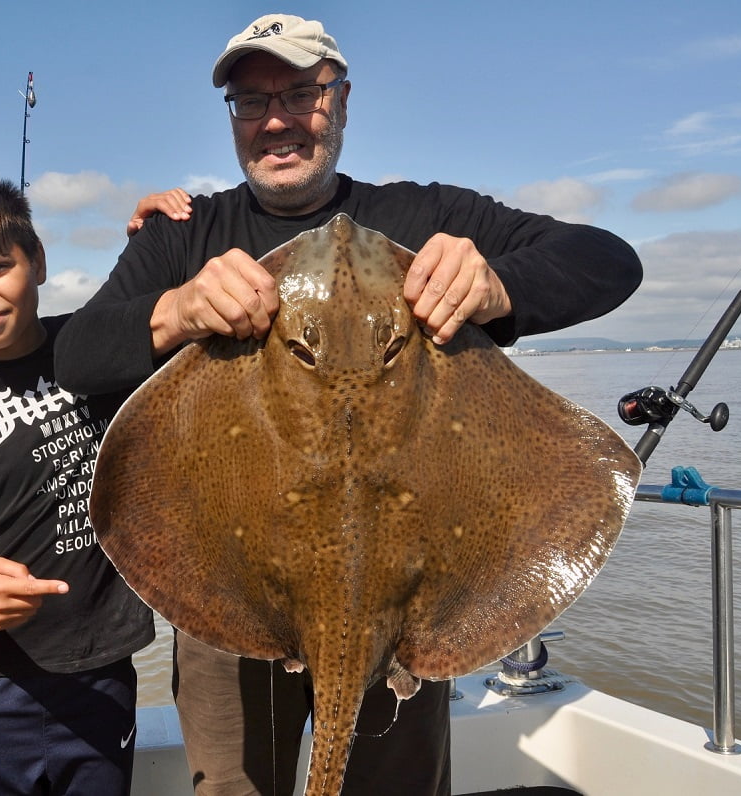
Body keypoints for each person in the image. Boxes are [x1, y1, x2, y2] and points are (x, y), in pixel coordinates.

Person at [53, 13, 644, 796]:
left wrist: (500, 285)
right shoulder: (185, 235)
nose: (276, 118)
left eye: (302, 92)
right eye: (250, 100)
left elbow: (610, 260)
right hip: (230, 594)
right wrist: (179, 309)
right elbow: (75, 356)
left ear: (342, 99)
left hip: (409, 598)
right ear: (231, 117)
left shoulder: (428, 216)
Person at [0, 173, 156, 795]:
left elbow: (178, 295)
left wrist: (162, 228)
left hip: (100, 673)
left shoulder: (98, 344)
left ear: (37, 260)